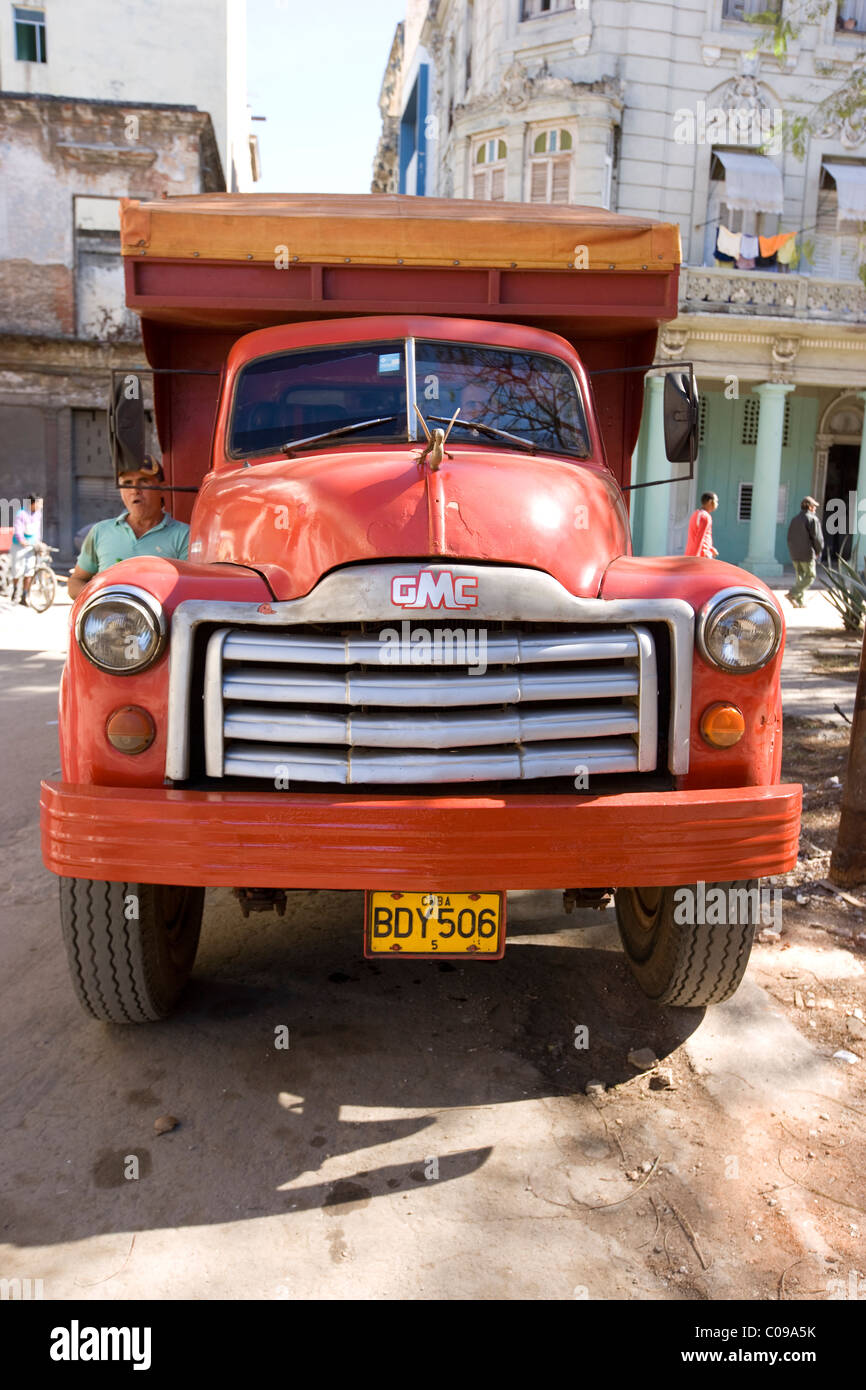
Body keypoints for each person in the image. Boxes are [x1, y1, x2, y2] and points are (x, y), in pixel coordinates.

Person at [67, 457, 189, 600]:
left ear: (163, 488)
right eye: (127, 483)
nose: (135, 490)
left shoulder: (184, 535)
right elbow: (76, 581)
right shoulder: (100, 531)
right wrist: (99, 598)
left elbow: (189, 590)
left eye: (144, 481)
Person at [786, 496, 823, 608]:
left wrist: (793, 550)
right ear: (809, 507)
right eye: (814, 506)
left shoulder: (795, 519)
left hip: (795, 554)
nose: (815, 509)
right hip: (807, 554)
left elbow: (789, 537)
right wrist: (818, 550)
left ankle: (799, 602)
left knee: (800, 577)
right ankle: (793, 593)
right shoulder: (812, 519)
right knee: (810, 576)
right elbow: (817, 538)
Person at [10, 496, 43, 602]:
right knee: (17, 570)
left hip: (31, 545)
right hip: (19, 546)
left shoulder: (38, 514)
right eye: (39, 504)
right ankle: (15, 590)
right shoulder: (21, 514)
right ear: (32, 504)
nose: (40, 506)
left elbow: (37, 530)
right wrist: (22, 541)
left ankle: (25, 594)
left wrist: (38, 542)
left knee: (29, 570)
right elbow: (18, 530)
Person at [685, 492, 719, 558]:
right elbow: (699, 538)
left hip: (693, 552)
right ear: (710, 502)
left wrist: (711, 548)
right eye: (716, 501)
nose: (717, 504)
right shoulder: (705, 517)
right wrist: (695, 558)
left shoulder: (696, 514)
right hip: (702, 555)